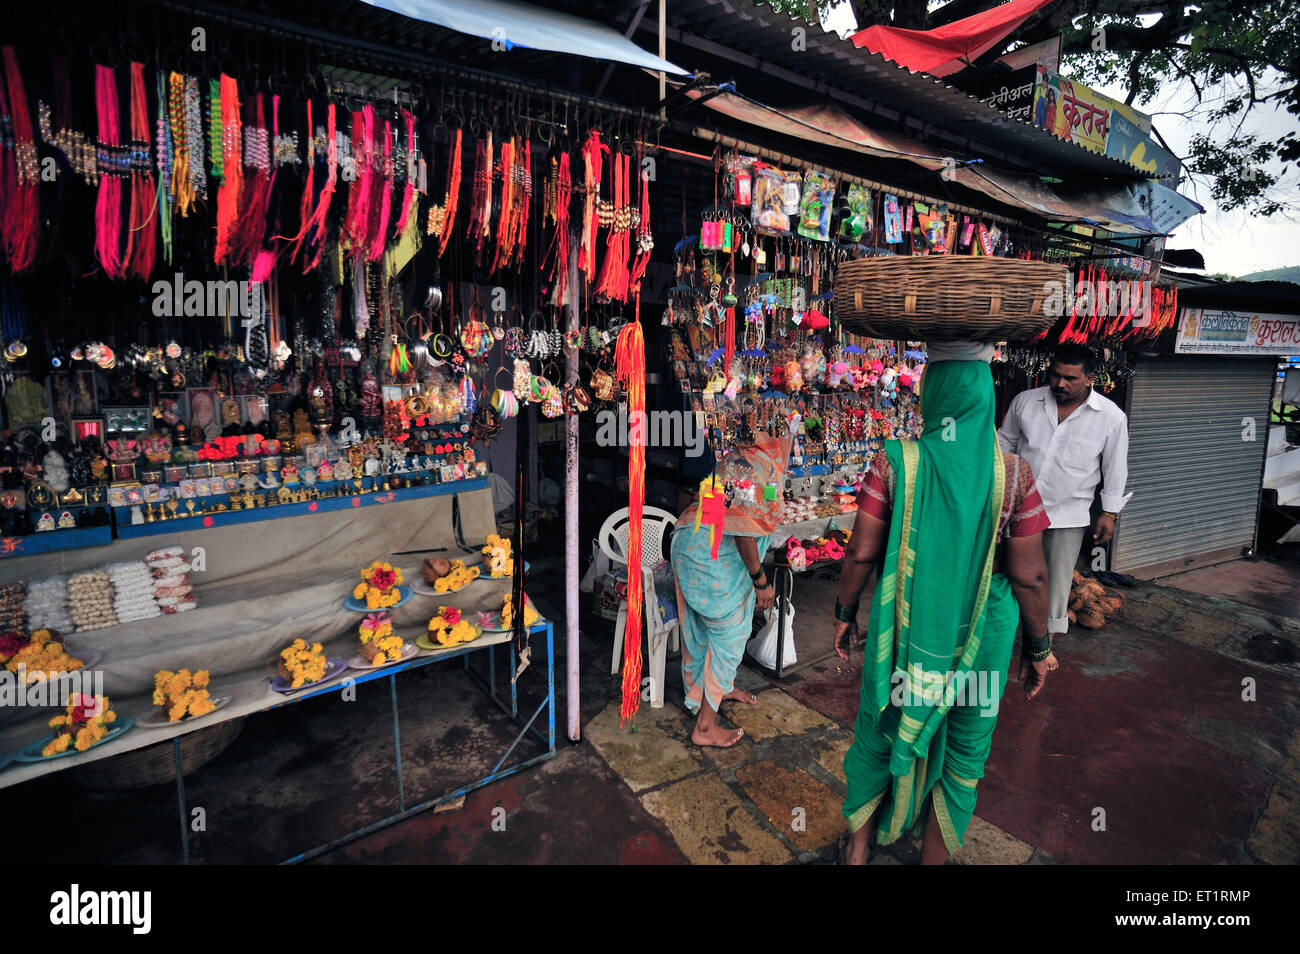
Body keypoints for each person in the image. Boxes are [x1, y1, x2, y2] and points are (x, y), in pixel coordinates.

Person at [832, 343, 1054, 865]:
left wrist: (844, 614)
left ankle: (859, 848)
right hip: (982, 635)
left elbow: (861, 554)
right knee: (963, 747)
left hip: (906, 628)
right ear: (984, 398)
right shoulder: (1014, 476)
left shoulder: (895, 461)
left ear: (932, 398)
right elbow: (1030, 577)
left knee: (877, 729)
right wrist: (1039, 647)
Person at [997, 343, 1131, 641]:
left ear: (1090, 379)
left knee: (1056, 584)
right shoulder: (1025, 401)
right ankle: (1004, 635)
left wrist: (1109, 513)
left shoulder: (1110, 417)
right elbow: (1004, 444)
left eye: (1070, 378)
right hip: (1017, 509)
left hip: (1067, 514)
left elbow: (1115, 468)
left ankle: (1044, 645)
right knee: (1009, 573)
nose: (1059, 383)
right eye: (1055, 375)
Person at [672, 427, 793, 748]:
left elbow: (722, 513)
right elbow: (743, 530)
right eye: (788, 433)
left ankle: (712, 692)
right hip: (705, 554)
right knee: (730, 634)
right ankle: (705, 727)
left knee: (700, 628)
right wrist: (761, 581)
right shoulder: (759, 466)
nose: (791, 441)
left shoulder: (740, 459)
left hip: (691, 542)